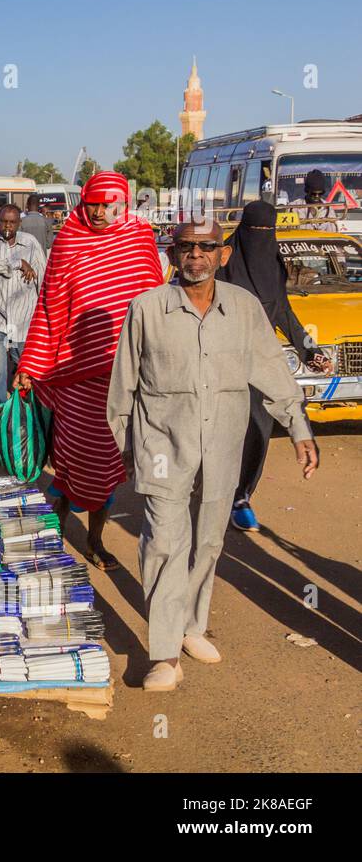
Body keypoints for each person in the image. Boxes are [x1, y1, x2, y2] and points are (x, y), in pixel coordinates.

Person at [108, 218, 317, 691]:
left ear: (223, 255)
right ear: (172, 254)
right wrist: (126, 448)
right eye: (186, 247)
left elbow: (271, 369)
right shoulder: (146, 309)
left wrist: (299, 427)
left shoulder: (243, 308)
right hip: (162, 445)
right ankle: (164, 654)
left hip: (223, 444)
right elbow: (123, 386)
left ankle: (191, 627)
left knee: (208, 541)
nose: (196, 256)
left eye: (206, 248)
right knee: (163, 541)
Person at [14, 171, 163, 570]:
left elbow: (155, 304)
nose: (99, 212)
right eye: (93, 203)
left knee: (109, 465)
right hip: (77, 376)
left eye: (108, 204)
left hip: (126, 376)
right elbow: (50, 308)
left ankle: (95, 541)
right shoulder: (68, 240)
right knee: (74, 461)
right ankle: (50, 538)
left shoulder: (140, 239)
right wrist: (31, 364)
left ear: (123, 203)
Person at [218, 200, 332, 531]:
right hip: (217, 360)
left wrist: (311, 351)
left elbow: (283, 312)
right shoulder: (221, 260)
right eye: (256, 231)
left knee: (258, 426)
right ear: (244, 230)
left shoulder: (272, 264)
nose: (261, 238)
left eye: (268, 232)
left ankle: (241, 496)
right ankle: (209, 489)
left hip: (259, 362)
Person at [0, 203, 45, 404]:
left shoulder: (30, 243)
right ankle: (1, 409)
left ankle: (22, 409)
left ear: (19, 223)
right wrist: (18, 263)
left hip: (21, 321)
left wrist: (44, 311)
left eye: (12, 222)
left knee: (23, 368)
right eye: (4, 222)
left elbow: (41, 274)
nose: (8, 226)